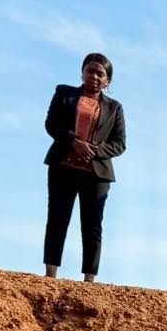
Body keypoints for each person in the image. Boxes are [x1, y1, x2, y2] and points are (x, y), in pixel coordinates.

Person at [42, 53, 126, 283]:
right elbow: (51, 124)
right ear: (82, 72)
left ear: (108, 81)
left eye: (101, 74)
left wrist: (94, 150)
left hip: (96, 174)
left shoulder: (115, 108)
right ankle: (50, 274)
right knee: (57, 218)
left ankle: (89, 278)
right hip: (63, 167)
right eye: (91, 71)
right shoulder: (64, 94)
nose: (95, 77)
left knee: (92, 225)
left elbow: (120, 143)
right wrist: (73, 141)